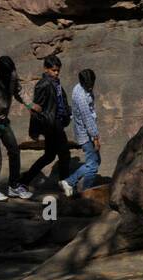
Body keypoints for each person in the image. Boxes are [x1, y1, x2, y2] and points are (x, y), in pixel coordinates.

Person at [0, 55, 41, 202]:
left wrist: (30, 104)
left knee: (15, 151)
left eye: (12, 72)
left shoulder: (12, 75)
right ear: (0, 71)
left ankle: (14, 186)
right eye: (7, 73)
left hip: (4, 121)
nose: (10, 75)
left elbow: (19, 91)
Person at [21, 55, 71, 189]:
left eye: (58, 70)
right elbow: (37, 109)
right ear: (46, 69)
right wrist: (36, 129)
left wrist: (67, 113)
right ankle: (65, 184)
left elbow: (60, 101)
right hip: (52, 124)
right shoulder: (43, 84)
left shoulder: (56, 83)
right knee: (64, 154)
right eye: (53, 70)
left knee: (49, 156)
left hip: (58, 122)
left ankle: (24, 180)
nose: (56, 73)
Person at [60, 69, 100, 197]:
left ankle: (69, 182)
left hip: (83, 131)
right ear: (83, 82)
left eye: (91, 84)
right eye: (88, 84)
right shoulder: (81, 96)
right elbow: (87, 119)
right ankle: (84, 193)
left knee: (95, 161)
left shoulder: (78, 87)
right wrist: (95, 138)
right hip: (86, 134)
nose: (90, 87)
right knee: (93, 165)